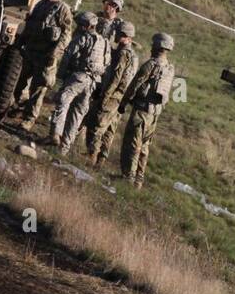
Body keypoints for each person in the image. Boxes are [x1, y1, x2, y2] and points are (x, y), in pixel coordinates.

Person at [12, 0, 75, 130]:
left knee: (38, 89)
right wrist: (20, 42)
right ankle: (15, 107)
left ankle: (29, 119)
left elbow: (66, 34)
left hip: (46, 55)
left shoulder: (62, 9)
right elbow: (30, 24)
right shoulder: (41, 4)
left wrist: (55, 53)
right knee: (19, 81)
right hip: (31, 50)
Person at [118, 33, 176, 189]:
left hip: (142, 111)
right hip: (155, 114)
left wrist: (123, 102)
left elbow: (135, 85)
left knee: (133, 144)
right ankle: (139, 179)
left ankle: (128, 178)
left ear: (157, 47)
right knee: (144, 147)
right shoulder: (170, 68)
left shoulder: (150, 65)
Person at [51, 12, 111, 151]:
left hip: (78, 77)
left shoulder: (83, 38)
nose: (79, 27)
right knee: (77, 114)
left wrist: (61, 76)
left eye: (81, 24)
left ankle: (55, 133)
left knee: (63, 101)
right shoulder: (105, 43)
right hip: (93, 83)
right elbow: (106, 66)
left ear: (87, 26)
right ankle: (64, 148)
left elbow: (67, 55)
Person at [85, 21, 139, 168]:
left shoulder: (122, 54)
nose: (116, 36)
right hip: (121, 98)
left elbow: (116, 78)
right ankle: (101, 159)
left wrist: (105, 96)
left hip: (112, 96)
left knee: (97, 125)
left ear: (126, 37)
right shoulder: (133, 55)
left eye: (120, 34)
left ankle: (92, 156)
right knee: (110, 129)